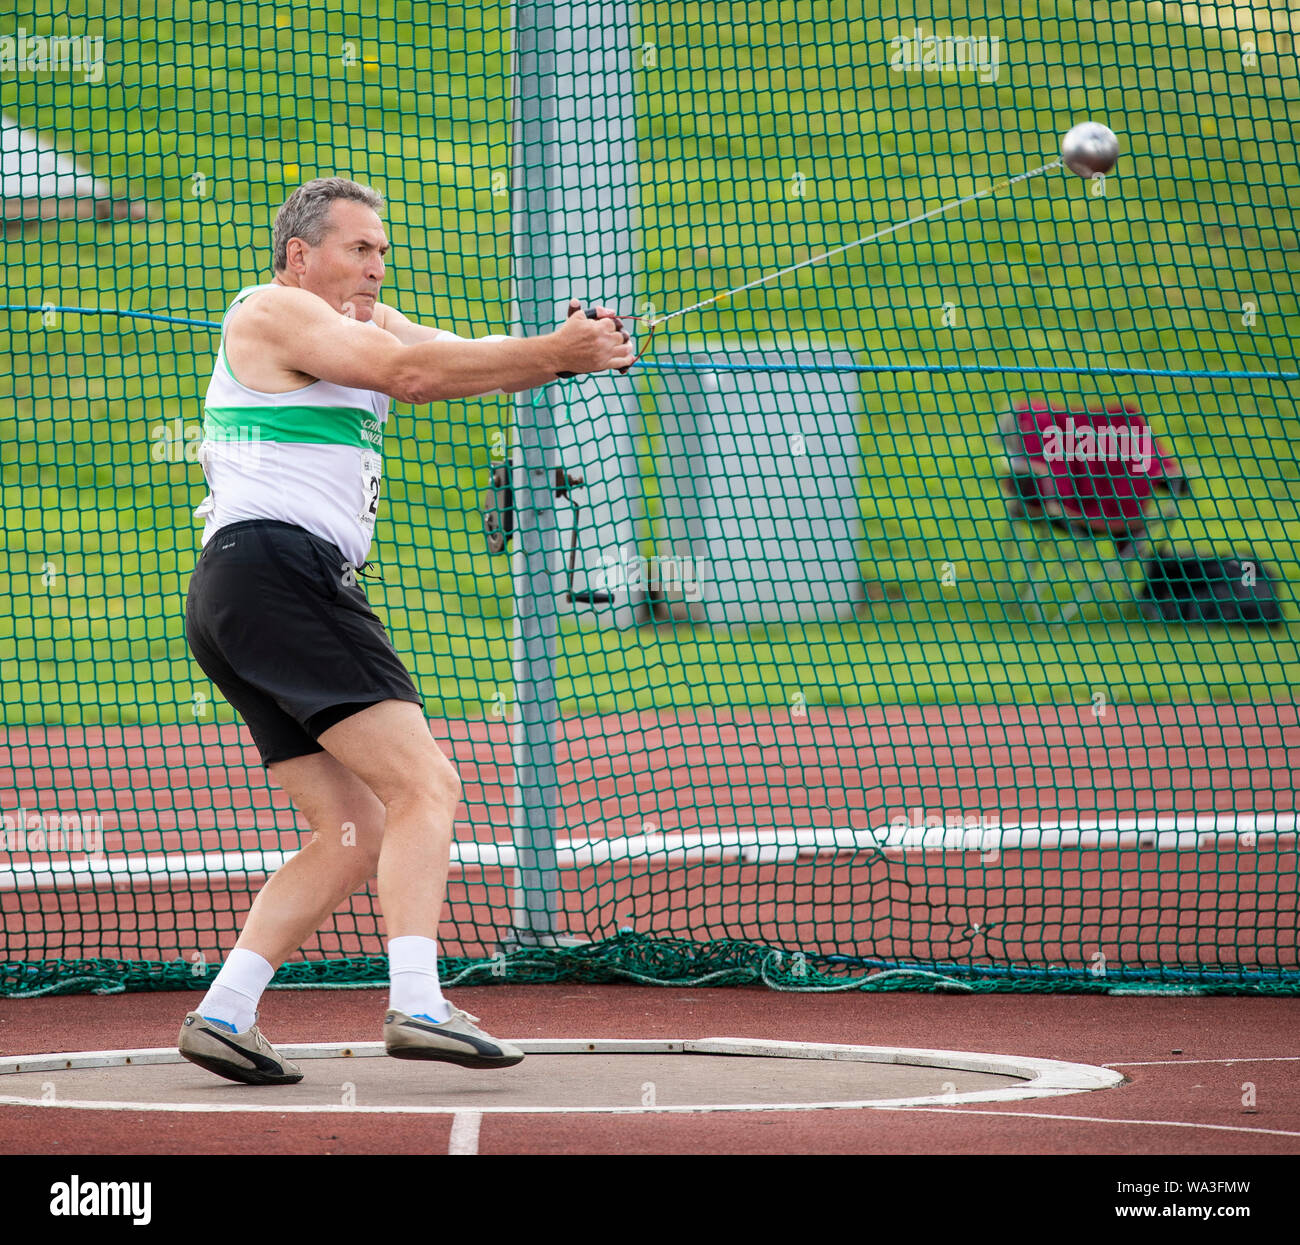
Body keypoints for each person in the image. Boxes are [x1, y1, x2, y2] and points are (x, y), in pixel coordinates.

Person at [178, 176, 633, 1084]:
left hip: (247, 590)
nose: (376, 265)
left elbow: (455, 355)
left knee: (353, 826)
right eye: (359, 248)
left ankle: (224, 1011)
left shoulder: (362, 327)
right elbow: (413, 377)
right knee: (427, 784)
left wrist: (566, 354)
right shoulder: (269, 309)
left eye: (382, 250)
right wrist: (558, 351)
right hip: (276, 573)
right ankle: (419, 1001)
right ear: (300, 255)